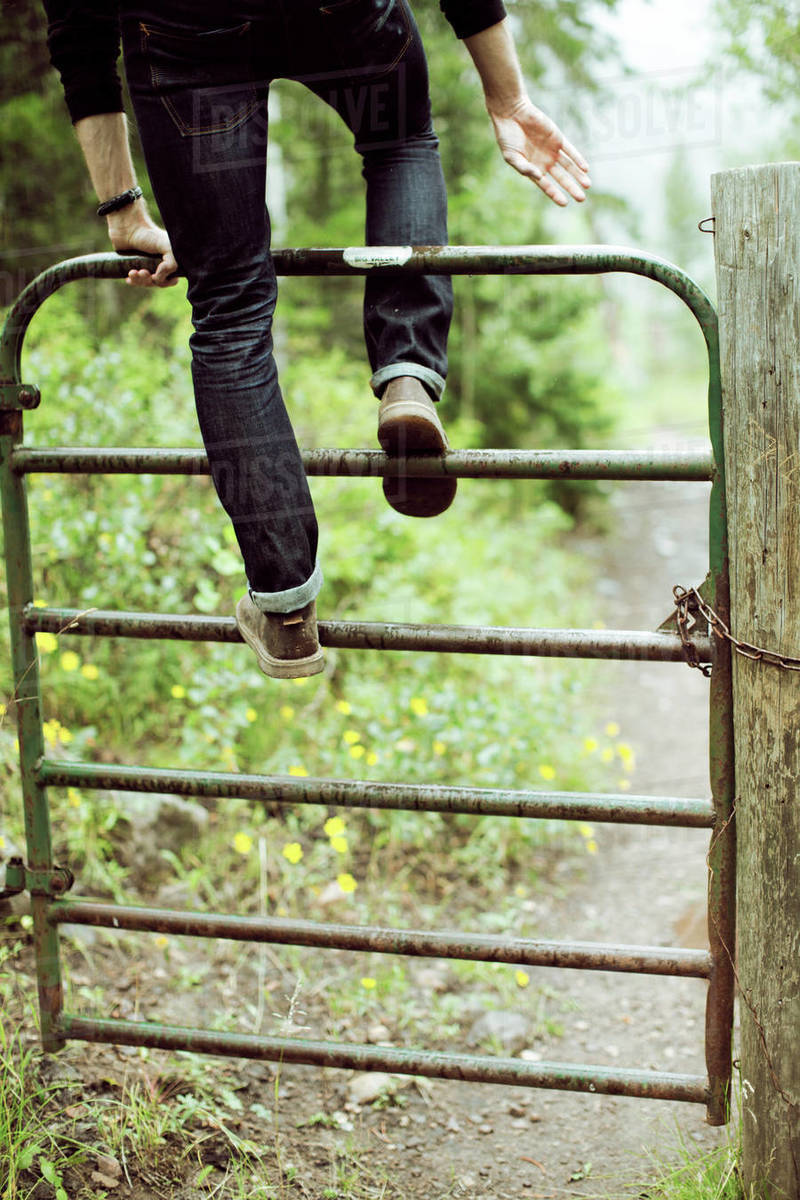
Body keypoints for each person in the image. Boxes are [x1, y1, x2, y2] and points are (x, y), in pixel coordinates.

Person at [42, 0, 590, 679]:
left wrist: (122, 207)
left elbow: (78, 25)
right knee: (398, 142)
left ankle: (287, 608)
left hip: (183, 26)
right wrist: (507, 99)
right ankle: (407, 371)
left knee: (230, 308)